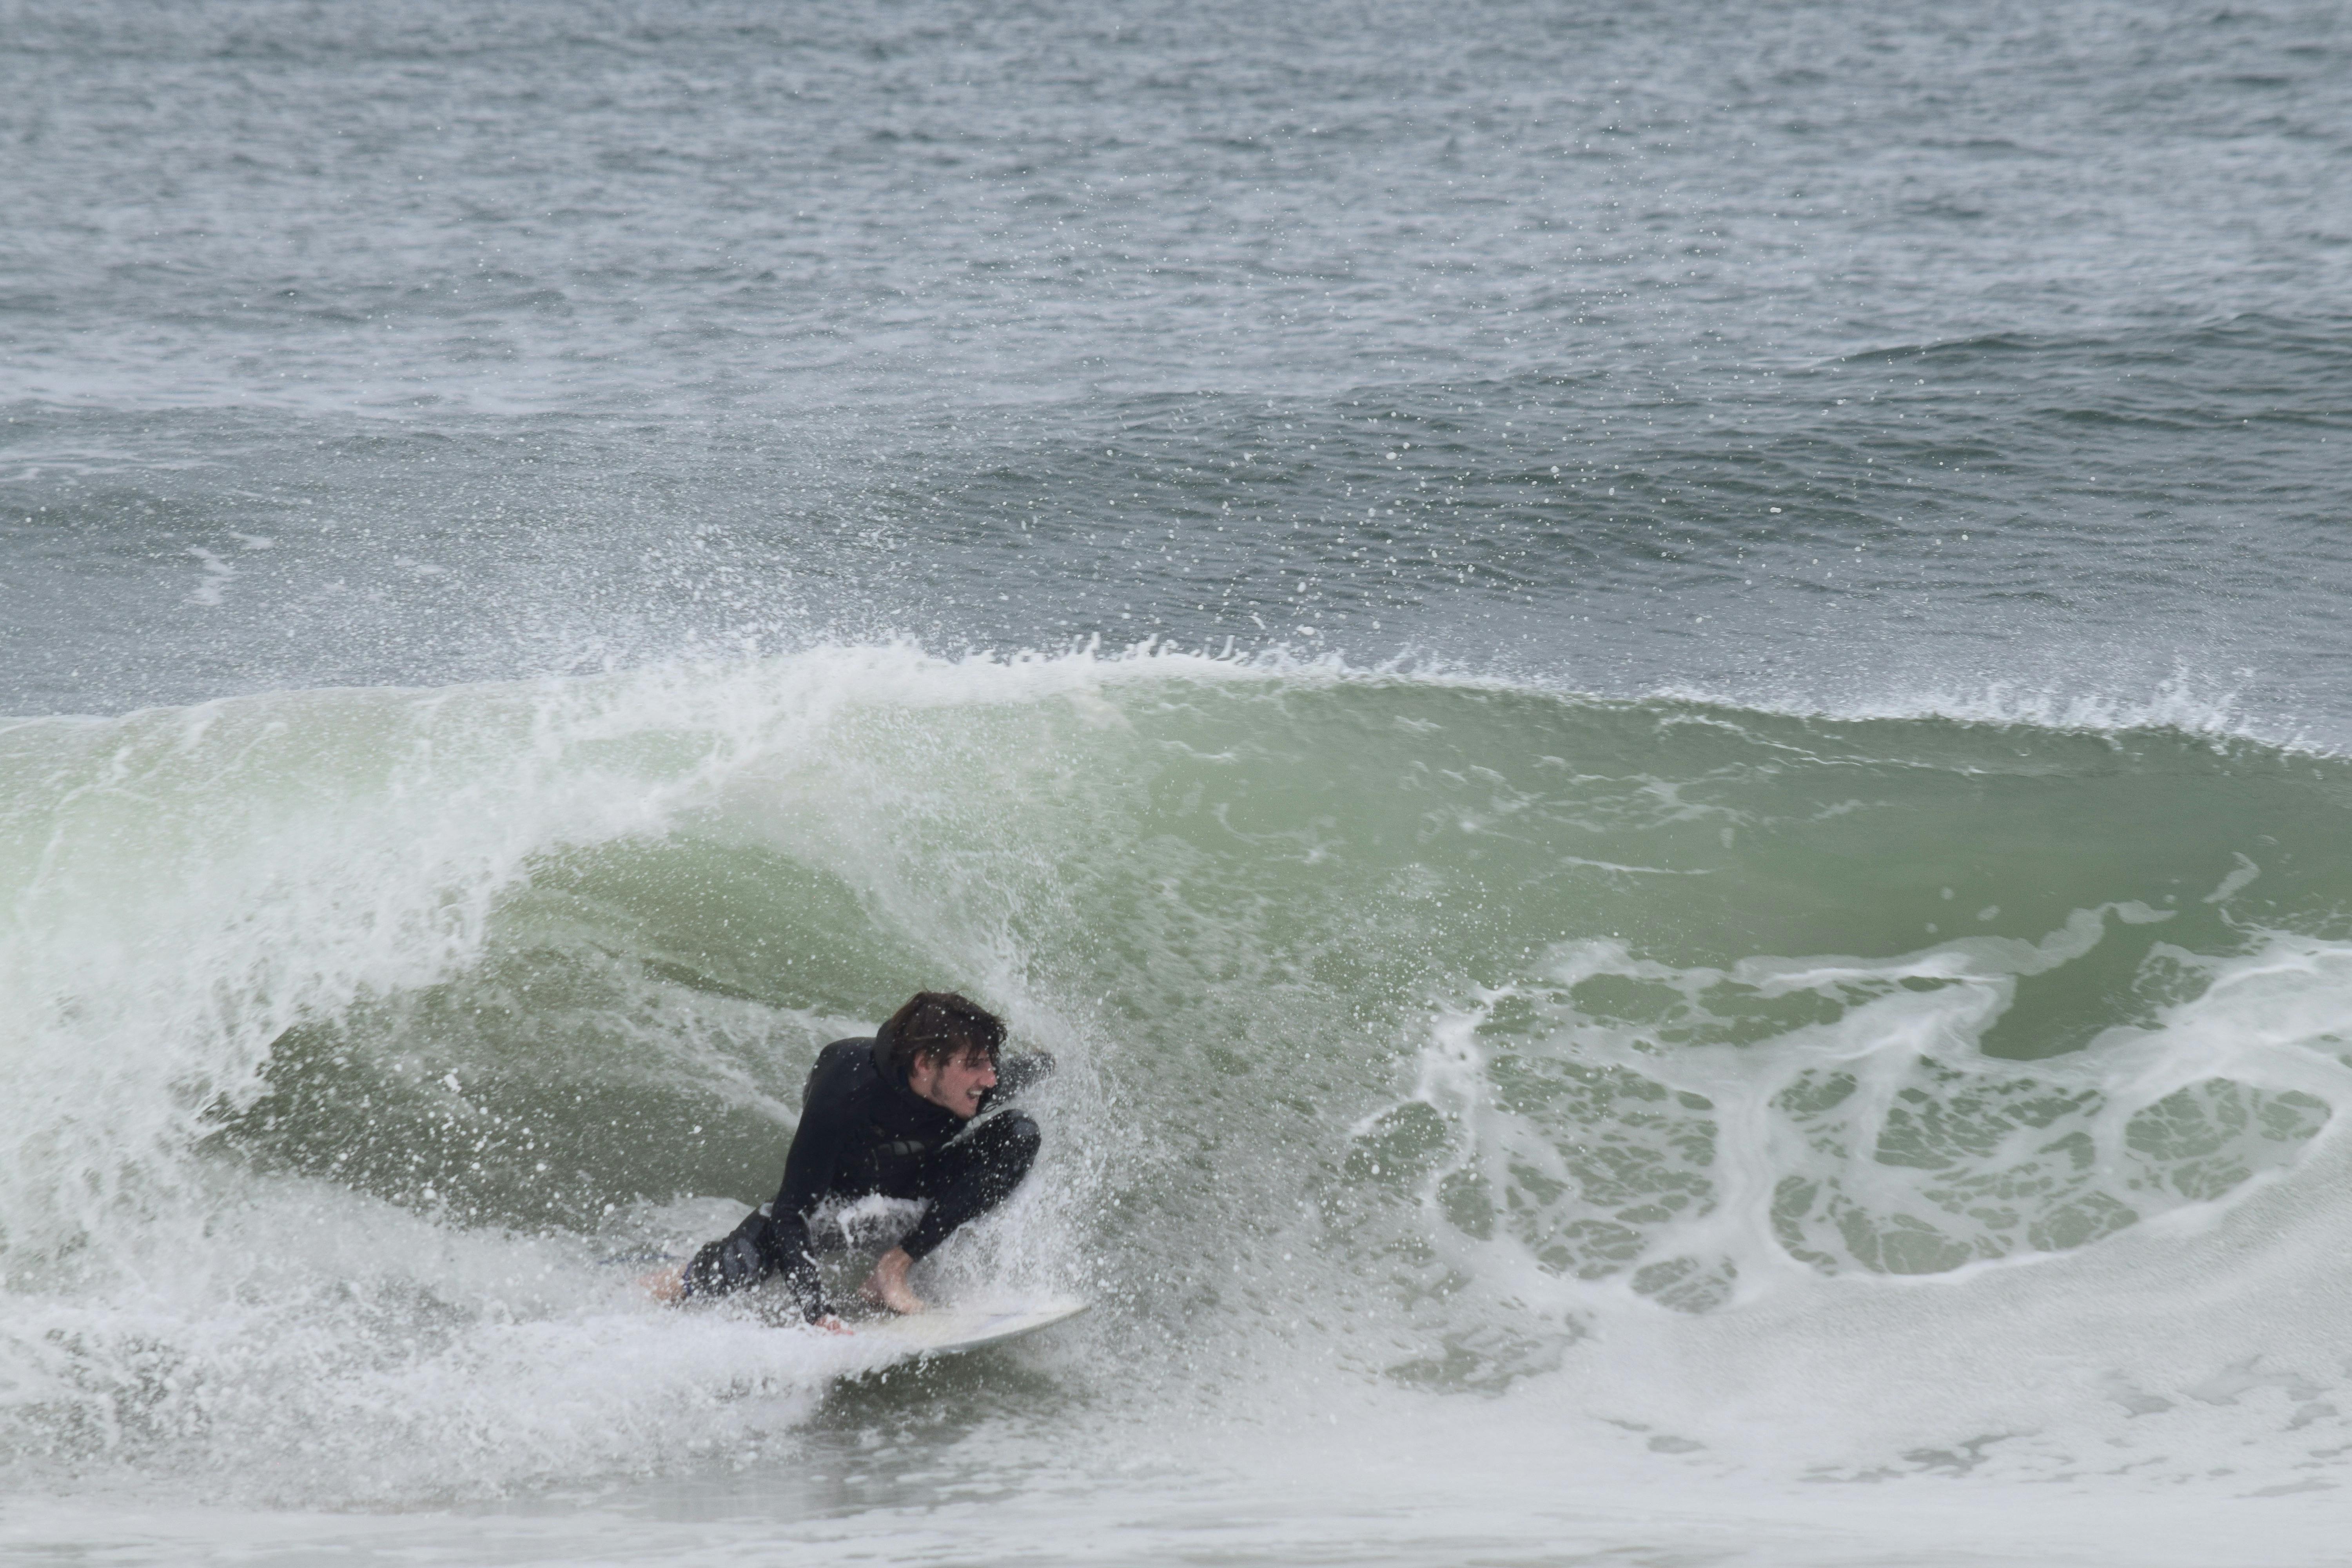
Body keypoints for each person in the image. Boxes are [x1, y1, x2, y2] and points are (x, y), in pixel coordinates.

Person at [650, 991, 1047, 1326]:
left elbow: (1031, 1069)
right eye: (974, 1065)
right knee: (729, 1270)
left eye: (990, 1062)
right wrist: (818, 1313)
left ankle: (894, 1267)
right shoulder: (847, 1086)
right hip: (839, 1195)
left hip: (914, 1184)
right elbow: (792, 1211)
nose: (991, 1079)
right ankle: (660, 1285)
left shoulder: (975, 1088)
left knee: (1021, 1133)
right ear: (925, 1063)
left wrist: (1056, 1057)